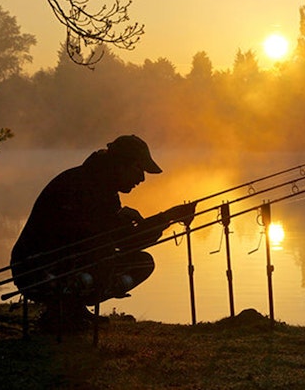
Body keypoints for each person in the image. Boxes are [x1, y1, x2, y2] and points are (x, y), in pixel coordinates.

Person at [10, 135, 194, 329]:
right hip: (37, 271)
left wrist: (166, 217)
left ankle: (74, 307)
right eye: (139, 169)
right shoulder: (82, 186)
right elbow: (112, 241)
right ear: (120, 164)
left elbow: (121, 241)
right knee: (102, 260)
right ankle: (62, 310)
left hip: (66, 263)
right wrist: (164, 218)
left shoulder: (103, 188)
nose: (142, 178)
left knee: (141, 262)